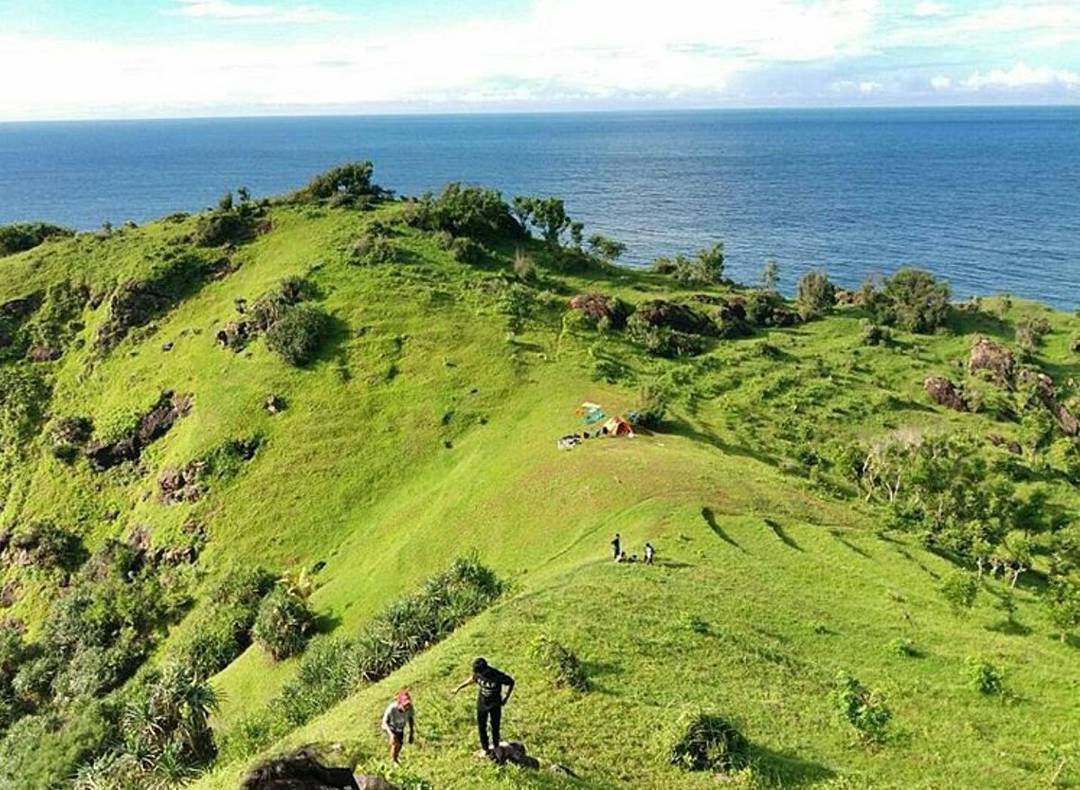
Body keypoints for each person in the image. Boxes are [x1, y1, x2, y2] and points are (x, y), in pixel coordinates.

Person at [452, 657, 515, 756]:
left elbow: (511, 682)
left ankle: (496, 746)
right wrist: (458, 687)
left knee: (495, 725)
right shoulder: (478, 673)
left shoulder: (497, 675)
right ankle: (485, 748)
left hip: (495, 704)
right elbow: (472, 678)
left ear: (485, 669)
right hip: (482, 703)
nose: (479, 675)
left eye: (480, 673)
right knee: (481, 726)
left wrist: (506, 698)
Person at [381, 690, 415, 764]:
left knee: (400, 745)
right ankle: (393, 761)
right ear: (400, 703)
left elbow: (411, 719)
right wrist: (391, 734)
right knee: (395, 743)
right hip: (391, 727)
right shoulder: (392, 708)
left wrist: (411, 733)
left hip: (400, 728)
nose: (406, 708)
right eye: (405, 706)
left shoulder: (410, 708)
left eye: (408, 706)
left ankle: (396, 758)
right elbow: (384, 722)